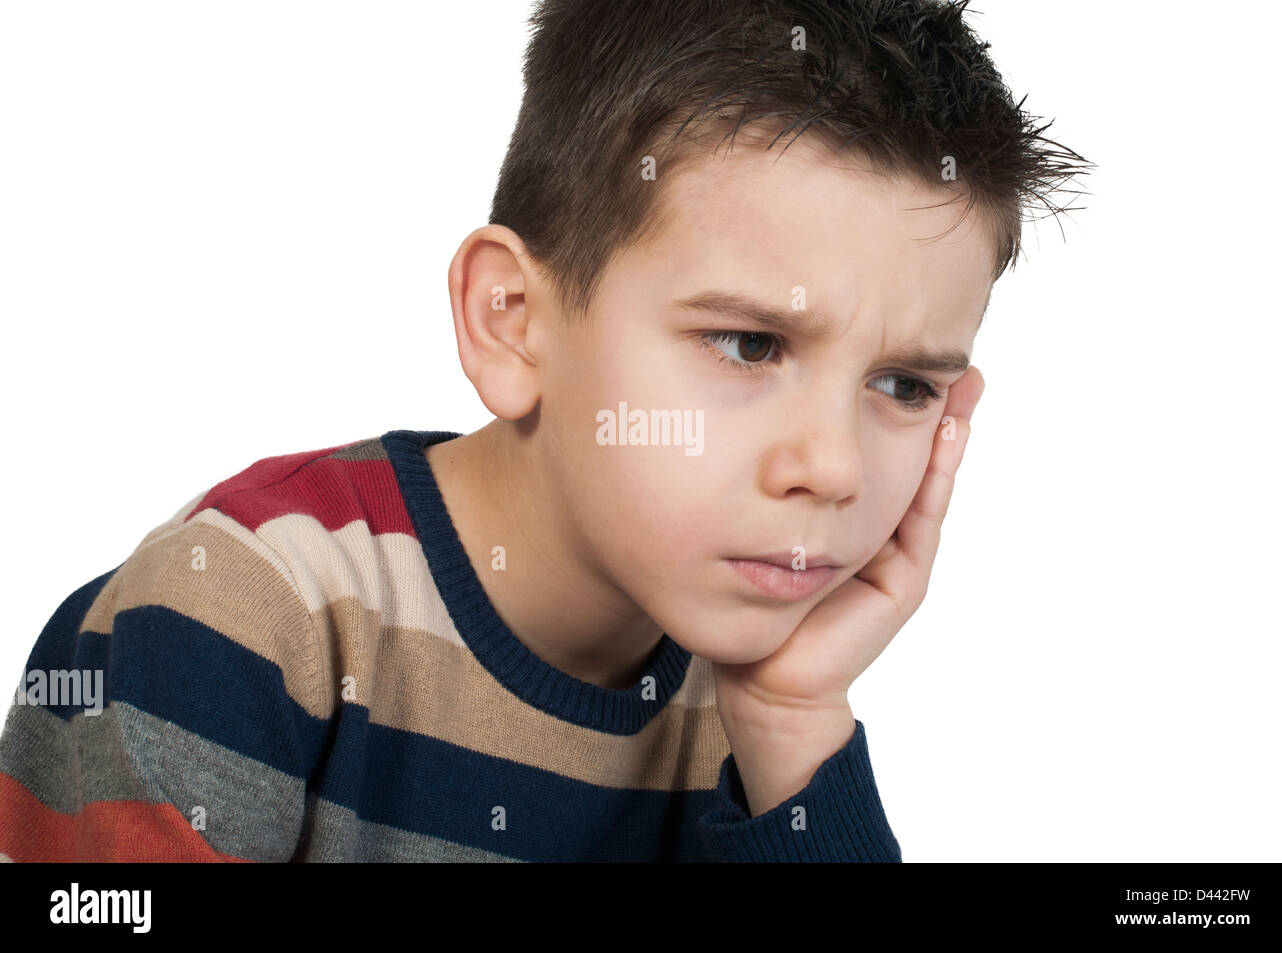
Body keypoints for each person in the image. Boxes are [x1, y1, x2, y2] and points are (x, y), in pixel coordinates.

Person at [0, 0, 1087, 862]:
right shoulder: (239, 620)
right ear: (512, 322)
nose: (833, 467)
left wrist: (798, 724)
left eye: (902, 383)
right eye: (749, 345)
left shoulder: (753, 697)